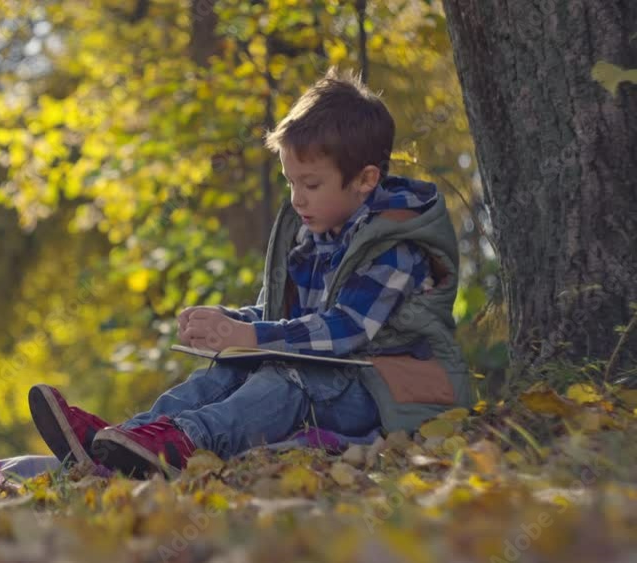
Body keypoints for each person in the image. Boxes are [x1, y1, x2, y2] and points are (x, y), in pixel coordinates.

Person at [29, 67, 473, 478]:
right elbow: (278, 315)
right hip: (334, 376)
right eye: (291, 182)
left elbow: (345, 330)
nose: (297, 198)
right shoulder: (313, 234)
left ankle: (187, 444)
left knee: (287, 377)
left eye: (311, 184)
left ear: (365, 180)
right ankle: (122, 441)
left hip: (384, 392)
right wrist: (228, 326)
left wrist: (253, 338)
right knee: (225, 371)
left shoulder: (397, 245)